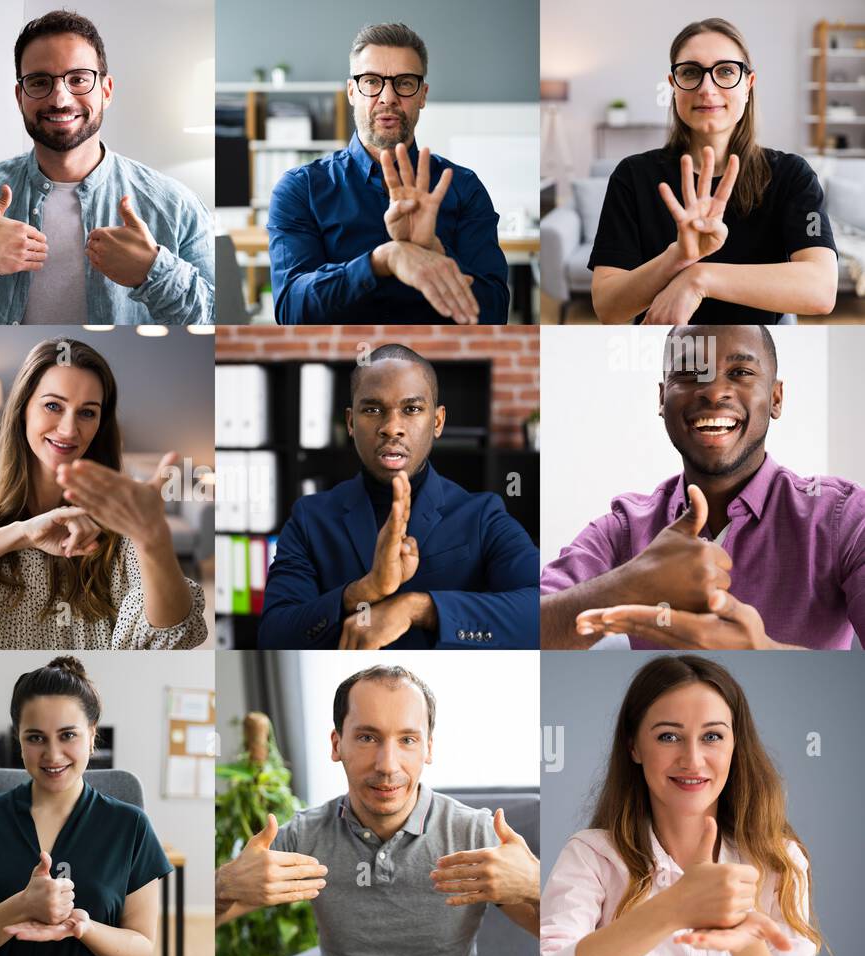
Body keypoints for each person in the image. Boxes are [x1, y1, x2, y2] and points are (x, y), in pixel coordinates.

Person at [541, 325, 865, 650]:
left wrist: (765, 653)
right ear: (661, 397)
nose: (713, 391)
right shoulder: (621, 529)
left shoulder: (844, 518)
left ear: (776, 398)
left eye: (739, 372)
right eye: (690, 373)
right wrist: (631, 584)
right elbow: (520, 631)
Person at [0, 9, 213, 326]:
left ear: (106, 90)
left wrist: (154, 272)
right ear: (20, 97)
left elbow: (217, 320)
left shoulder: (177, 206)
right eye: (40, 81)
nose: (60, 98)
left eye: (78, 79)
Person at [216, 664, 539, 956]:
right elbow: (208, 915)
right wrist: (223, 884)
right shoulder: (305, 834)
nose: (387, 765)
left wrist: (535, 884)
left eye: (407, 740)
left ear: (428, 747)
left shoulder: (473, 834)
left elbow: (564, 936)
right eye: (368, 738)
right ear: (336, 744)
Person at [0, 337, 206, 649]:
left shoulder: (117, 512)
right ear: (23, 408)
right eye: (53, 406)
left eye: (87, 413)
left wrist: (154, 540)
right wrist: (22, 534)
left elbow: (174, 636)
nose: (69, 430)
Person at [540, 655, 820, 956]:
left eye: (712, 736)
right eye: (668, 737)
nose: (693, 760)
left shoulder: (781, 862)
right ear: (634, 747)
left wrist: (741, 934)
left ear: (735, 746)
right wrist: (674, 907)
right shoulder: (591, 857)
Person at [258, 344, 538, 649]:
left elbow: (542, 608)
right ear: (351, 422)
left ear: (438, 422)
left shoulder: (482, 514)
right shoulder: (310, 518)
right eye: (373, 410)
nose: (392, 428)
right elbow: (273, 635)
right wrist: (364, 591)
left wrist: (417, 609)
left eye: (412, 409)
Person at [588, 18, 837, 325]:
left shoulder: (792, 175)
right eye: (691, 72)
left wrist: (698, 278)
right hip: (664, 351)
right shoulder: (632, 176)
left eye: (726, 71)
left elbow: (821, 289)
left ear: (748, 85)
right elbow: (608, 308)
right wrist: (677, 255)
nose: (707, 88)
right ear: (673, 87)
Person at [0, 656, 172, 956]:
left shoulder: (130, 827)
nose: (52, 754)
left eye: (68, 735)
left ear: (92, 736)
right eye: (35, 738)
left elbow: (140, 955)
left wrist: (83, 928)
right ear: (18, 740)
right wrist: (21, 906)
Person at [267, 22, 508, 325]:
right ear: (352, 92)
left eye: (405, 83)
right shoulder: (301, 189)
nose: (388, 97)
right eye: (371, 81)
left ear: (423, 94)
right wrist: (382, 260)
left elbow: (495, 313)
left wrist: (436, 252)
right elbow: (291, 310)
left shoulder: (464, 187)